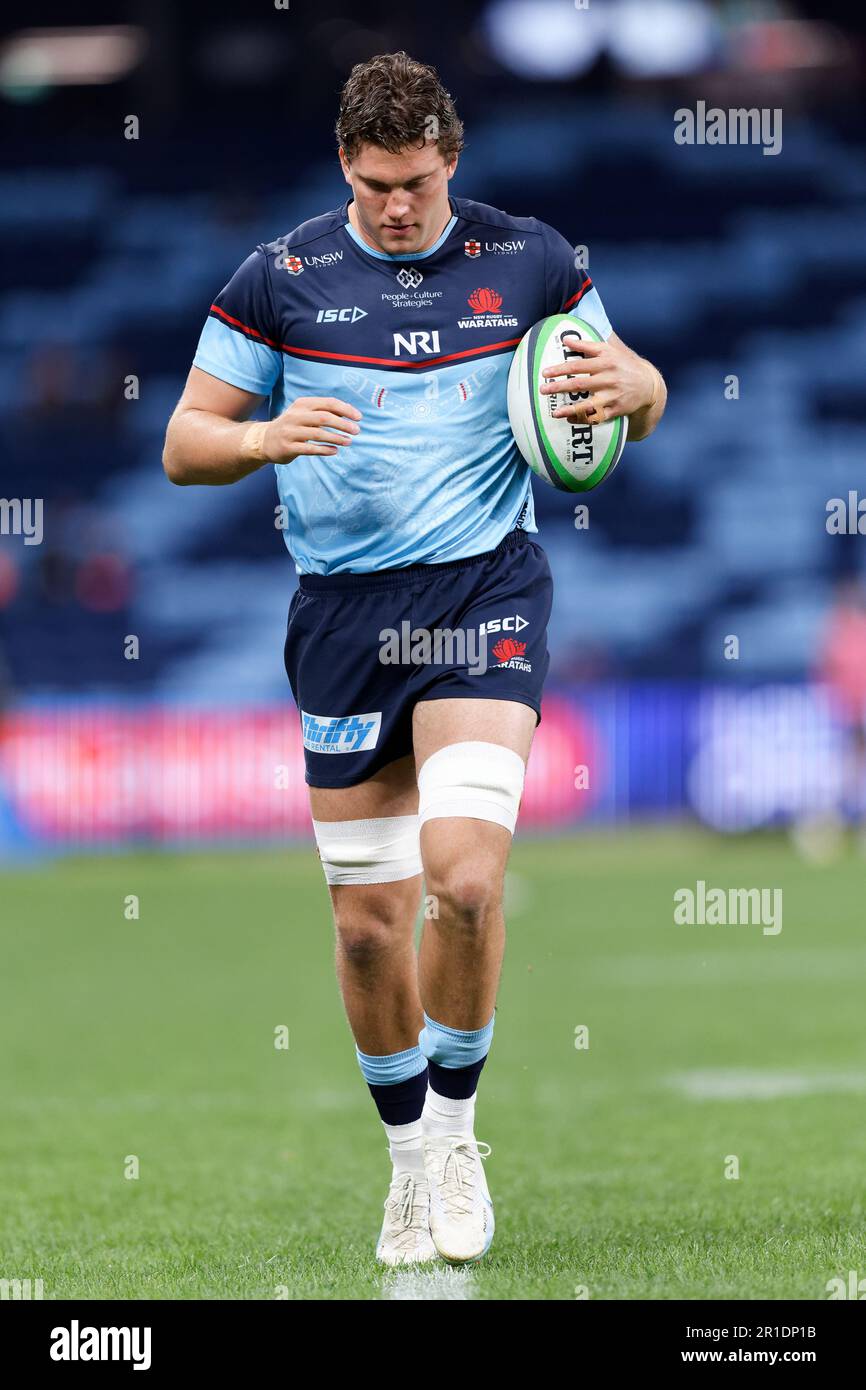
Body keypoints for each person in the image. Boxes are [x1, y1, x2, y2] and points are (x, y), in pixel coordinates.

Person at [162, 51, 666, 1266]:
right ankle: (407, 1165)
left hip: (484, 595)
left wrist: (640, 382)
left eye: (422, 181)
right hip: (341, 618)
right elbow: (184, 442)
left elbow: (628, 397)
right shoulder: (277, 278)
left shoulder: (529, 261)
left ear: (454, 161)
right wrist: (266, 436)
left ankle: (455, 1134)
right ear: (346, 163)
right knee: (369, 930)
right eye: (379, 181)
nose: (400, 203)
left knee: (467, 878)